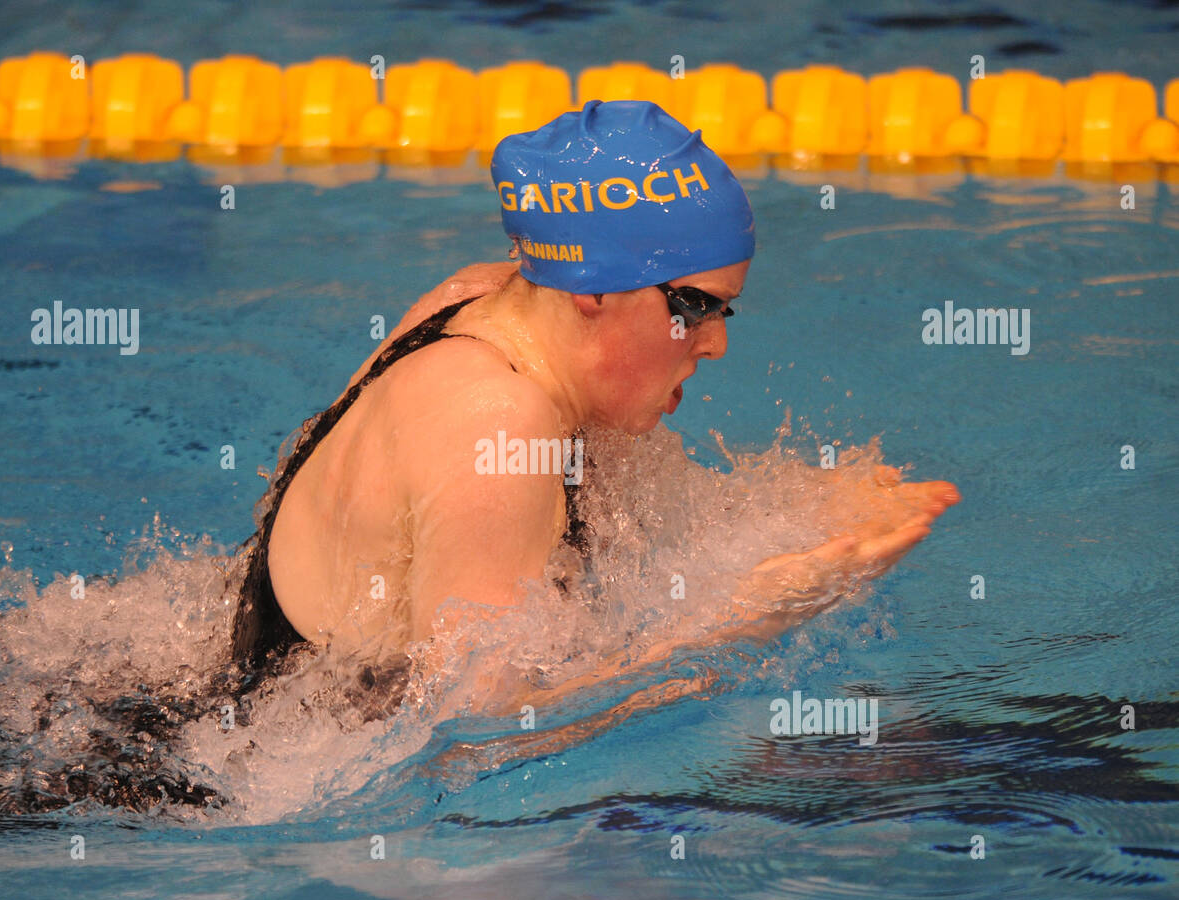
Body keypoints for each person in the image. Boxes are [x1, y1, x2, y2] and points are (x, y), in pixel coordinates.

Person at [228, 99, 959, 716]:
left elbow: (658, 523)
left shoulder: (487, 302)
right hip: (263, 773)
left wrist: (817, 509)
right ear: (592, 289)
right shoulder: (495, 421)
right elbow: (471, 738)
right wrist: (744, 626)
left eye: (722, 311)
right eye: (693, 306)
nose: (713, 345)